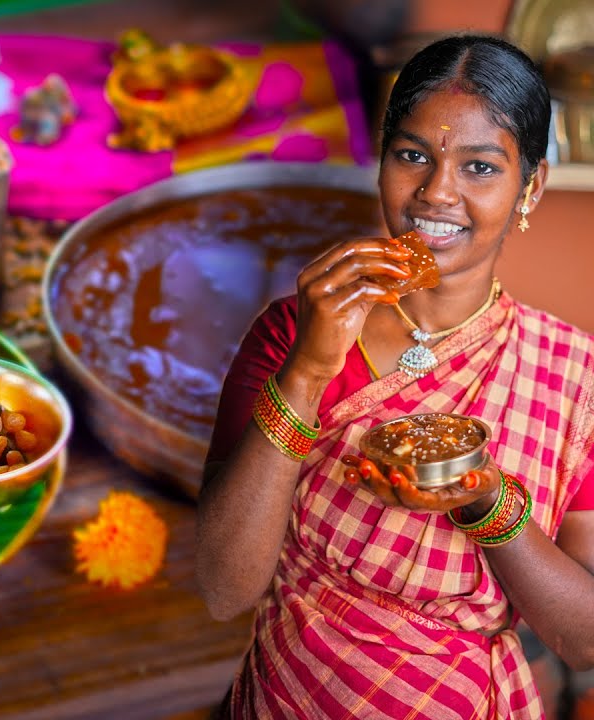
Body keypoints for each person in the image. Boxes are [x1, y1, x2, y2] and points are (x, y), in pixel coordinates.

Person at [196, 35, 594, 719]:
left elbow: (584, 640)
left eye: (479, 167)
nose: (437, 193)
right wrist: (309, 370)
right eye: (413, 155)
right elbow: (224, 590)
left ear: (530, 187)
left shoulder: (574, 376)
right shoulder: (295, 330)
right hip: (289, 694)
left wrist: (486, 500)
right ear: (380, 161)